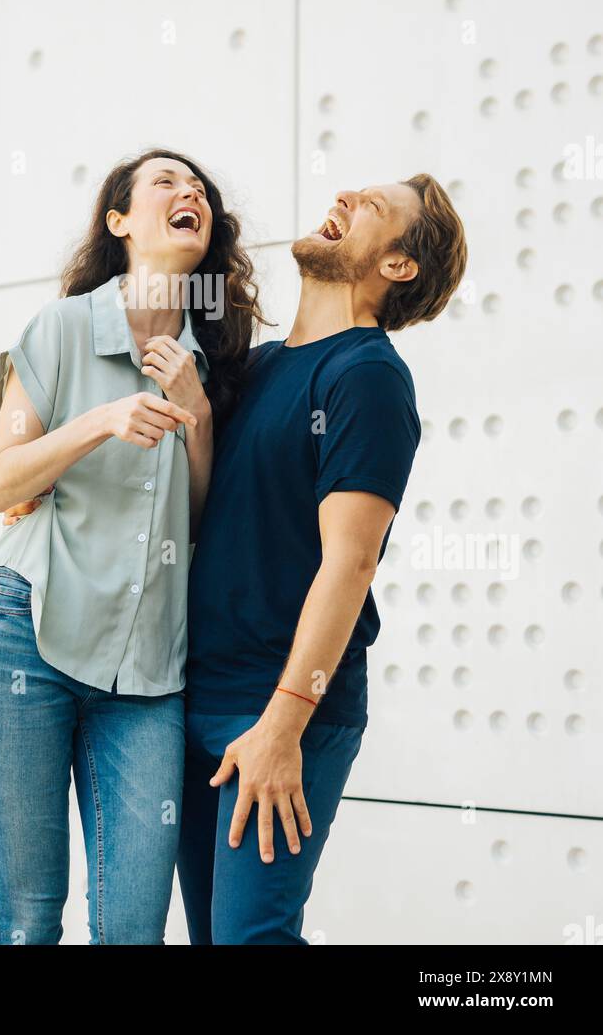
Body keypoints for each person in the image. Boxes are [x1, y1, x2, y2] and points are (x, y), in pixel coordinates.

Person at [0, 147, 264, 944]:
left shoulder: (210, 365)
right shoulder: (61, 328)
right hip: (27, 632)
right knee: (28, 919)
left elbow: (193, 526)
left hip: (149, 675)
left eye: (198, 187)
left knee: (132, 931)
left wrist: (193, 410)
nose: (188, 189)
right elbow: (1, 483)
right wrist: (100, 420)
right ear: (120, 221)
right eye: (166, 181)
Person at [177, 174, 468, 945]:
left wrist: (281, 727)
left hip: (279, 707)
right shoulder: (264, 367)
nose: (344, 196)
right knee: (215, 938)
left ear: (399, 265)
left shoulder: (366, 376)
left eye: (371, 206)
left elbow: (351, 563)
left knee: (250, 940)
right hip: (199, 694)